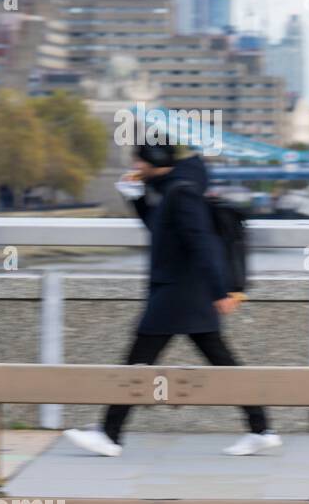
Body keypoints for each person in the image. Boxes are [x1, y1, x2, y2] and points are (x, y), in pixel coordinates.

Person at [63, 136, 281, 457]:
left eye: (140, 162)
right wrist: (136, 200)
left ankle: (109, 435)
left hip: (178, 292)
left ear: (153, 162)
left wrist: (220, 291)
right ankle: (261, 428)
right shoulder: (176, 188)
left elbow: (200, 242)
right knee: (221, 361)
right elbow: (160, 228)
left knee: (137, 363)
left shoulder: (182, 193)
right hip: (183, 290)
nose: (136, 167)